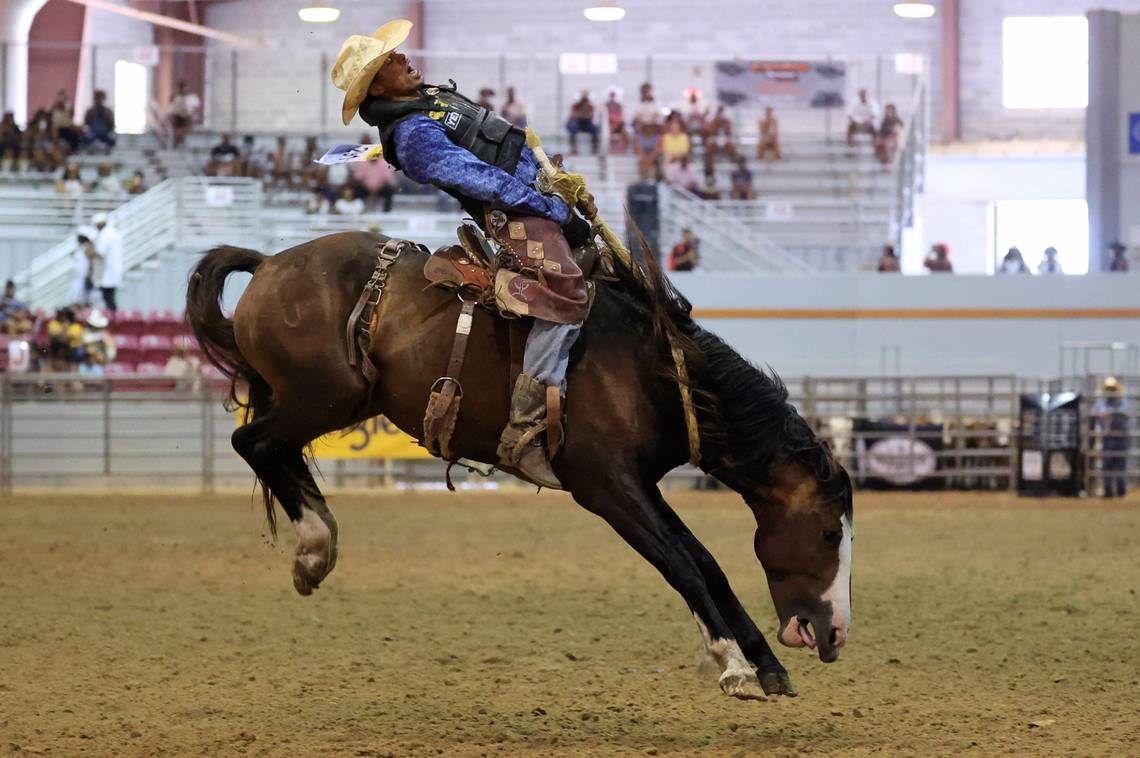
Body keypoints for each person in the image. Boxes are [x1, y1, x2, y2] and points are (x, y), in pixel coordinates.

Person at [335, 19, 592, 487]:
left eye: (396, 53)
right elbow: (478, 177)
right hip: (511, 210)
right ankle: (526, 429)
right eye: (390, 61)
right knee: (567, 290)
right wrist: (548, 206)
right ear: (376, 86)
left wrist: (550, 179)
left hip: (530, 188)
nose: (403, 58)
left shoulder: (425, 102)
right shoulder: (412, 136)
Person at [1094, 376, 1130, 498]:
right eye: (1108, 388)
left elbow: (1124, 415)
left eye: (1112, 388)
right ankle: (1108, 492)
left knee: (1120, 466)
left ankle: (1121, 492)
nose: (1110, 391)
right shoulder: (1102, 402)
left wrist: (1110, 414)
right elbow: (1097, 414)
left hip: (1120, 438)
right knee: (1107, 465)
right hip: (1108, 438)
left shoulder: (1123, 402)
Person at [91, 212, 123, 313]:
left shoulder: (105, 234)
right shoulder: (113, 232)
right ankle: (113, 318)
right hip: (112, 270)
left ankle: (113, 319)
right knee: (110, 298)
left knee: (108, 299)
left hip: (108, 271)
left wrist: (90, 252)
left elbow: (101, 252)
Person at [168, 80, 200, 148]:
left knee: (185, 127)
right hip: (177, 116)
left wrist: (194, 115)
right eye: (181, 88)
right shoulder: (175, 97)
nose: (183, 90)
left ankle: (181, 140)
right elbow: (172, 108)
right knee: (176, 131)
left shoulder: (192, 97)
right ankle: (176, 143)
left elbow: (195, 109)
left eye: (184, 88)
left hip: (188, 116)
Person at [566, 90, 598, 155]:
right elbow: (573, 115)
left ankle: (594, 147)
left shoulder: (590, 106)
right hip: (578, 123)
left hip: (587, 123)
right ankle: (573, 147)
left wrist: (584, 114)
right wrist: (582, 114)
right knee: (572, 127)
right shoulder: (575, 106)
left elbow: (591, 115)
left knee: (594, 128)